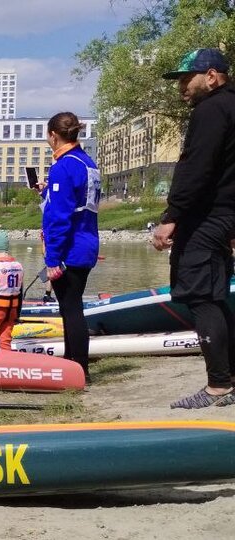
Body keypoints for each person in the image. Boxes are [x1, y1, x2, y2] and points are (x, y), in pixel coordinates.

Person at [152, 48, 235, 408]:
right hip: (224, 216)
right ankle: (229, 377)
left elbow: (197, 168)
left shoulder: (211, 110)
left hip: (204, 218)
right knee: (216, 297)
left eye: (187, 78)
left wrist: (171, 217)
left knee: (201, 299)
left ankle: (219, 386)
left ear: (212, 76)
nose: (181, 87)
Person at [40, 111, 101, 383]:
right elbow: (77, 202)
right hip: (87, 242)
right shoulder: (87, 162)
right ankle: (74, 365)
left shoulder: (63, 166)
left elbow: (59, 217)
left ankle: (78, 369)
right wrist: (46, 192)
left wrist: (52, 259)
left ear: (53, 135)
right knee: (71, 305)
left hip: (70, 248)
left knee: (71, 308)